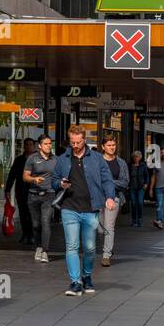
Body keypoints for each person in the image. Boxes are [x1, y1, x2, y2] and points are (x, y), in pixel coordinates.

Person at [52, 126, 116, 296]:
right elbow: (53, 181)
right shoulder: (63, 159)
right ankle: (75, 282)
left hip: (90, 209)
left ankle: (87, 276)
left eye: (78, 142)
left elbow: (107, 180)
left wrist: (110, 197)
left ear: (84, 140)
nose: (75, 145)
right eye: (72, 142)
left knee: (89, 247)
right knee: (72, 246)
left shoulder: (96, 158)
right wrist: (60, 184)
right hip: (69, 208)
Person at [22, 134, 58, 263]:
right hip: (33, 195)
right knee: (36, 224)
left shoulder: (55, 159)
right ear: (40, 146)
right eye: (46, 144)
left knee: (46, 222)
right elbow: (25, 177)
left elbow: (59, 176)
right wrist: (34, 179)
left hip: (49, 195)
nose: (49, 146)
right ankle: (38, 246)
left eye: (50, 144)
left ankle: (45, 251)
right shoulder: (32, 158)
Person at [97, 136, 129, 267]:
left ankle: (106, 255)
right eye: (109, 145)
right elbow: (93, 180)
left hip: (115, 198)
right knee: (99, 229)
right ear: (103, 147)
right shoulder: (97, 162)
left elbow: (125, 182)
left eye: (113, 145)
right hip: (99, 198)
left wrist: (108, 183)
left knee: (109, 226)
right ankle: (108, 247)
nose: (112, 147)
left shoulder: (121, 163)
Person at [4, 138, 37, 245]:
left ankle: (32, 235)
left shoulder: (38, 159)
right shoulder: (19, 160)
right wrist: (7, 189)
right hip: (21, 190)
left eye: (30, 144)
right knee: (23, 213)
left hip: (34, 190)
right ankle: (25, 234)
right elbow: (12, 174)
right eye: (26, 145)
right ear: (24, 146)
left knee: (32, 213)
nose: (28, 147)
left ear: (34, 146)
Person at [127, 150, 149, 228]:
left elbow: (146, 175)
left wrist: (146, 184)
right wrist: (127, 185)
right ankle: (134, 220)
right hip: (132, 187)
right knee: (133, 204)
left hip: (140, 187)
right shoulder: (129, 166)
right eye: (134, 157)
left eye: (137, 157)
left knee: (139, 203)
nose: (136, 158)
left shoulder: (143, 165)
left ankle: (140, 219)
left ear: (140, 158)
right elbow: (127, 176)